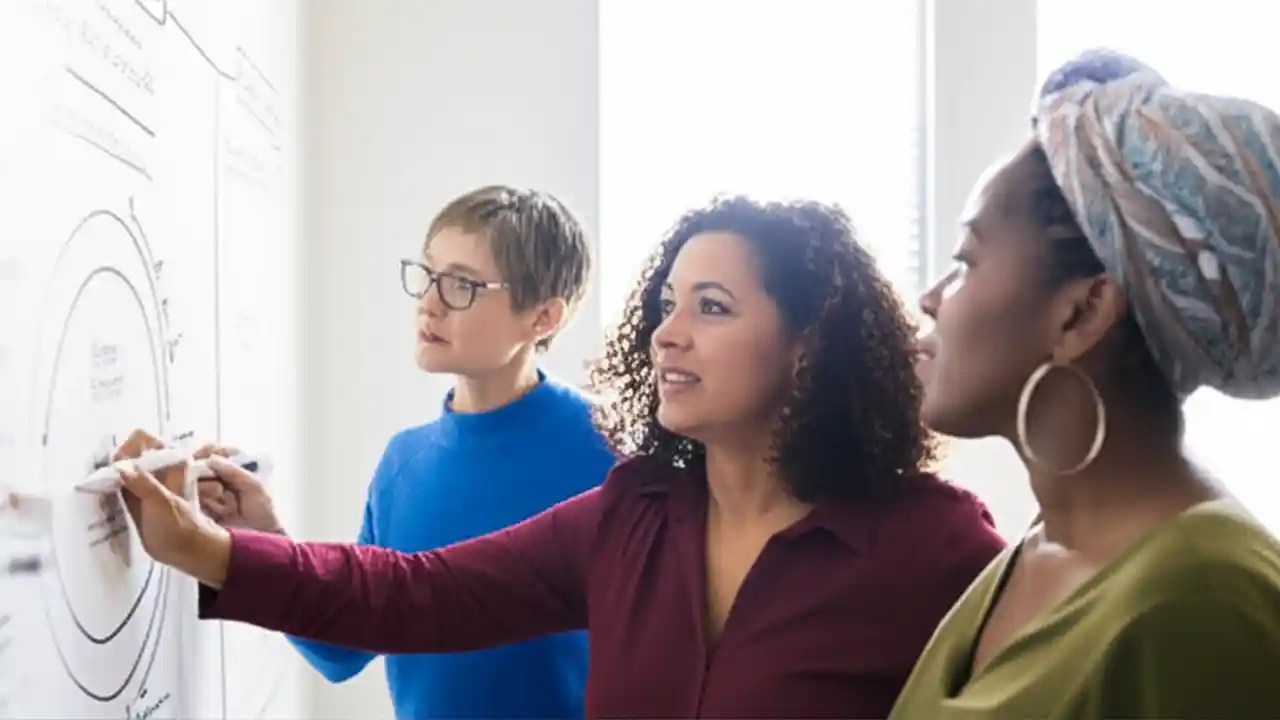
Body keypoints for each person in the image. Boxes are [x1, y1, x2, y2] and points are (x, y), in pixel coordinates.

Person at [112, 196, 1006, 718]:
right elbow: (412, 594)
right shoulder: (632, 512)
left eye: (713, 308)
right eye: (666, 302)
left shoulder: (934, 547)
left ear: (811, 344)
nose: (668, 334)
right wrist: (208, 547)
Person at [890, 49, 1280, 718]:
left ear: (1084, 312)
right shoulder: (1032, 556)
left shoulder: (1206, 602)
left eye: (966, 260)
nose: (931, 298)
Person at [198, 185, 617, 719]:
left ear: (543, 318)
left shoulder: (611, 451)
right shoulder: (403, 463)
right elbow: (341, 650)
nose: (429, 302)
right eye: (428, 274)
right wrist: (262, 536)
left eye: (461, 284)